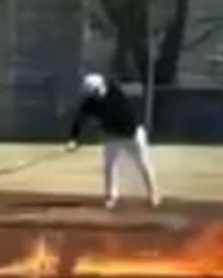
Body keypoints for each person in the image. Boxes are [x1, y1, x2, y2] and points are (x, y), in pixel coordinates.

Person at [67, 73, 160, 209]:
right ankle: (111, 196)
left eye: (91, 92)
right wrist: (73, 138)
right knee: (109, 166)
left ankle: (153, 195)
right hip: (112, 136)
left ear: (98, 89)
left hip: (131, 134)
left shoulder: (115, 94)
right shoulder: (91, 103)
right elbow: (79, 119)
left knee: (143, 163)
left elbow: (115, 115)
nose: (90, 95)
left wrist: (102, 126)